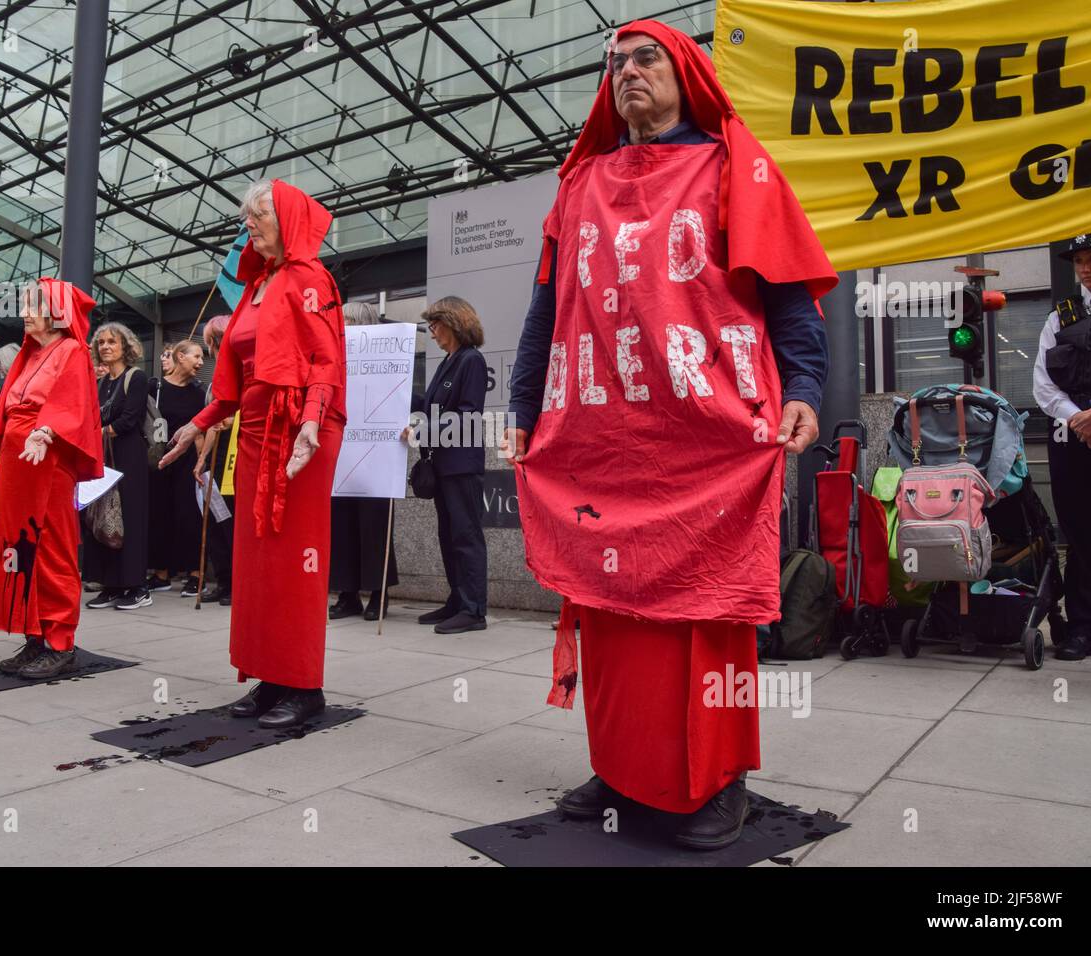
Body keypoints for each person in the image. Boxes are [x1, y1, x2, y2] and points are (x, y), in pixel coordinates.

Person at [502, 22, 835, 850]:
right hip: (600, 431)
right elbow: (547, 307)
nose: (627, 72)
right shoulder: (579, 184)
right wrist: (520, 407)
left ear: (688, 73)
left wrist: (804, 389)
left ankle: (719, 782)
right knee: (611, 603)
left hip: (709, 431)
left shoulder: (734, 164)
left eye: (647, 57)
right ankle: (621, 767)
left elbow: (790, 296)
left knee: (706, 607)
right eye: (615, 63)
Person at [161, 179, 346, 729]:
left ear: (288, 218)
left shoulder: (311, 278)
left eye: (259, 213)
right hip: (257, 434)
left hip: (299, 436)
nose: (249, 223)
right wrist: (196, 424)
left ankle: (303, 685)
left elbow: (325, 362)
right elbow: (232, 382)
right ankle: (270, 677)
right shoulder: (256, 285)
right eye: (246, 215)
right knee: (258, 562)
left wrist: (311, 420)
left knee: (293, 560)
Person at [0, 278, 104, 679]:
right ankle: (35, 635)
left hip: (48, 460)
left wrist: (46, 431)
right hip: (19, 459)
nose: (25, 313)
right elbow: (8, 412)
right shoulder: (30, 354)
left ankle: (59, 642)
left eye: (33, 305)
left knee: (51, 546)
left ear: (55, 312)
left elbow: (74, 405)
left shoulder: (71, 350)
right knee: (19, 545)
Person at [1033, 228, 1091, 661]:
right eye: (1080, 262)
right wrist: (1081, 420)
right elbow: (1042, 387)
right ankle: (1083, 629)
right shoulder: (1059, 317)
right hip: (1072, 439)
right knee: (1079, 539)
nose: (1086, 268)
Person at [403, 297, 488, 634]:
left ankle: (474, 609)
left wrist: (423, 428)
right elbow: (429, 405)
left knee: (466, 535)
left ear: (453, 323)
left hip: (462, 464)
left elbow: (468, 414)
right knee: (448, 535)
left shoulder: (472, 361)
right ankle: (458, 599)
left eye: (435, 325)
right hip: (443, 465)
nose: (432, 333)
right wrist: (402, 393)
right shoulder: (448, 362)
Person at [330, 301, 399, 621]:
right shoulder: (334, 357)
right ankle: (347, 593)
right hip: (343, 451)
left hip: (377, 454)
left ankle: (378, 593)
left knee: (374, 526)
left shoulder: (386, 356)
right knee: (342, 524)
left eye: (346, 320)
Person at [82, 323, 152, 611]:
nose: (106, 347)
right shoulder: (101, 383)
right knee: (101, 519)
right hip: (105, 457)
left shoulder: (135, 377)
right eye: (101, 343)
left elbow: (130, 420)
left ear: (126, 347)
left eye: (113, 342)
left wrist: (98, 432)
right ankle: (110, 584)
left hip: (129, 458)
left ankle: (137, 586)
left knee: (130, 520)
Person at [148, 340, 206, 595]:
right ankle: (161, 573)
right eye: (196, 356)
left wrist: (202, 460)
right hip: (159, 457)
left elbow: (202, 430)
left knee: (188, 514)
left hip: (187, 461)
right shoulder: (155, 386)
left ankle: (195, 573)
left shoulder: (199, 392)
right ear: (179, 356)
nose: (201, 362)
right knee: (159, 514)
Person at [196, 315, 235, 606]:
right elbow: (212, 423)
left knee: (233, 523)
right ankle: (222, 580)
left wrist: (233, 420)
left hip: (238, 457)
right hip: (217, 459)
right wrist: (202, 461)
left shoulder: (245, 371)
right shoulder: (214, 382)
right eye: (215, 340)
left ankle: (236, 583)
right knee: (217, 523)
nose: (217, 346)